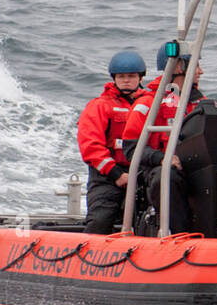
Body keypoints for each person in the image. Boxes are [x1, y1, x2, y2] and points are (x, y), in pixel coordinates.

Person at [121, 44, 205, 234]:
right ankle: (176, 235)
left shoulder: (201, 103)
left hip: (194, 167)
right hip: (158, 169)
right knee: (167, 178)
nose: (200, 71)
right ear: (178, 67)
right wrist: (163, 158)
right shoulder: (147, 103)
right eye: (195, 65)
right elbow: (131, 148)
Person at [78, 50, 149, 234]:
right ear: (114, 78)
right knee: (100, 220)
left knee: (149, 219)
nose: (126, 80)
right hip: (107, 177)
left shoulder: (150, 104)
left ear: (140, 78)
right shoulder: (100, 106)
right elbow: (90, 146)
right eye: (121, 76)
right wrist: (117, 174)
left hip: (143, 175)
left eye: (131, 76)